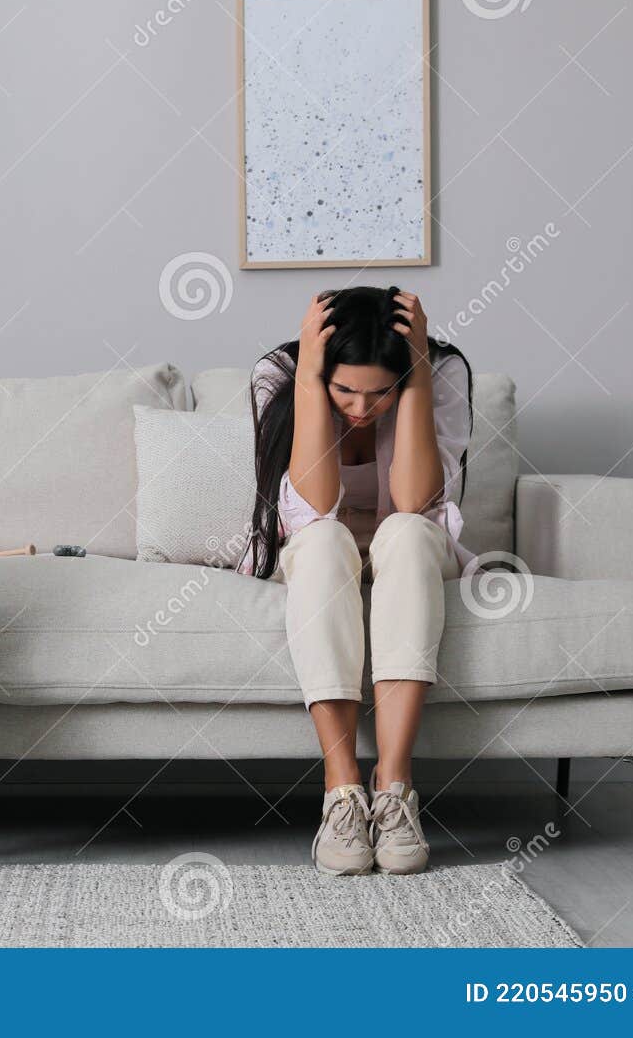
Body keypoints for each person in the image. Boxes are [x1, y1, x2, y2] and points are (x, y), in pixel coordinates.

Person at [240, 287, 474, 876]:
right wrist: (312, 382)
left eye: (379, 393)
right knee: (322, 539)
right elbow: (314, 507)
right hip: (323, 544)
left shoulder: (441, 371)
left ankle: (394, 790)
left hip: (410, 547)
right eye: (346, 389)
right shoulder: (281, 372)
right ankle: (342, 793)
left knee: (410, 531)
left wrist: (418, 376)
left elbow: (415, 500)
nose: (361, 408)